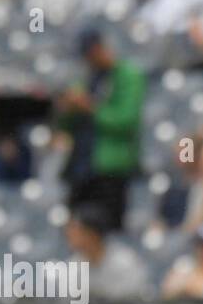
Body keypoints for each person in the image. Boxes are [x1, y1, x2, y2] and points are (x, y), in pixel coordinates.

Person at [56, 28, 145, 232]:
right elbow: (67, 126)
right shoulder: (86, 78)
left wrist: (89, 107)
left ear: (99, 48)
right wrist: (66, 110)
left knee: (107, 229)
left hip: (110, 167)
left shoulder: (127, 75)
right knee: (76, 228)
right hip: (80, 166)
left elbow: (127, 121)